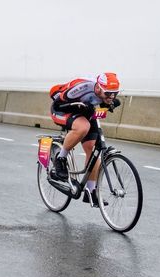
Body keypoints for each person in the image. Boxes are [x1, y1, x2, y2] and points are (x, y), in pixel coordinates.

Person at [48, 72, 122, 205]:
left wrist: (107, 104)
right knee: (83, 127)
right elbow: (61, 101)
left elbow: (98, 104)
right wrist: (78, 104)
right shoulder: (83, 87)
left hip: (85, 112)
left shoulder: (104, 94)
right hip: (61, 109)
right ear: (99, 88)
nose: (111, 96)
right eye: (108, 93)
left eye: (115, 93)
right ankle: (61, 158)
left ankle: (91, 191)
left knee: (93, 150)